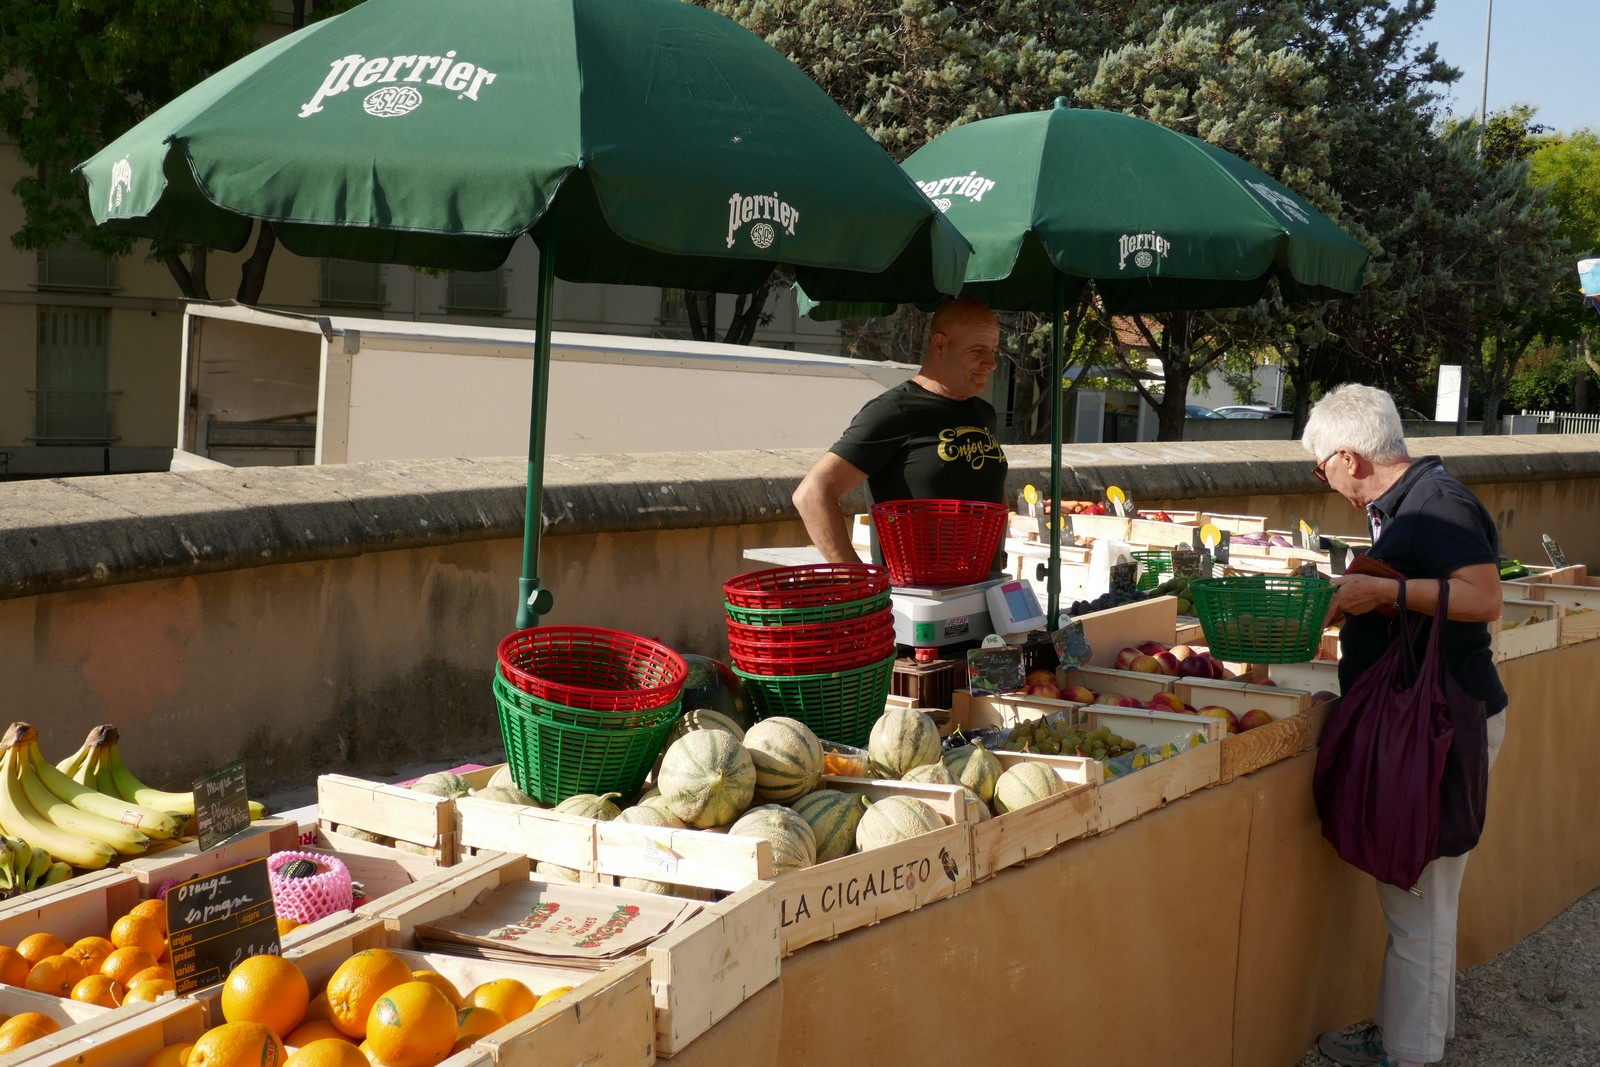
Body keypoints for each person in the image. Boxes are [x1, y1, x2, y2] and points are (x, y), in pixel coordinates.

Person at [1304, 384, 1509, 1067]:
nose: (1322, 481)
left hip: (1437, 725)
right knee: (1429, 903)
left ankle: (1409, 1053)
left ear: (1349, 457)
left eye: (1319, 467)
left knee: (1415, 903)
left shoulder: (1438, 503)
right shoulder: (1410, 502)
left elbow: (1484, 599)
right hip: (1440, 718)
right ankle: (1414, 1030)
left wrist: (1384, 591)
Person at [792, 297, 1007, 564]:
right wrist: (860, 583)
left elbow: (992, 489)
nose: (991, 363)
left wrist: (999, 557)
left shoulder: (984, 413)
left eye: (993, 351)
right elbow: (812, 494)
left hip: (985, 588)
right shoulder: (894, 411)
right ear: (940, 345)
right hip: (918, 597)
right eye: (977, 350)